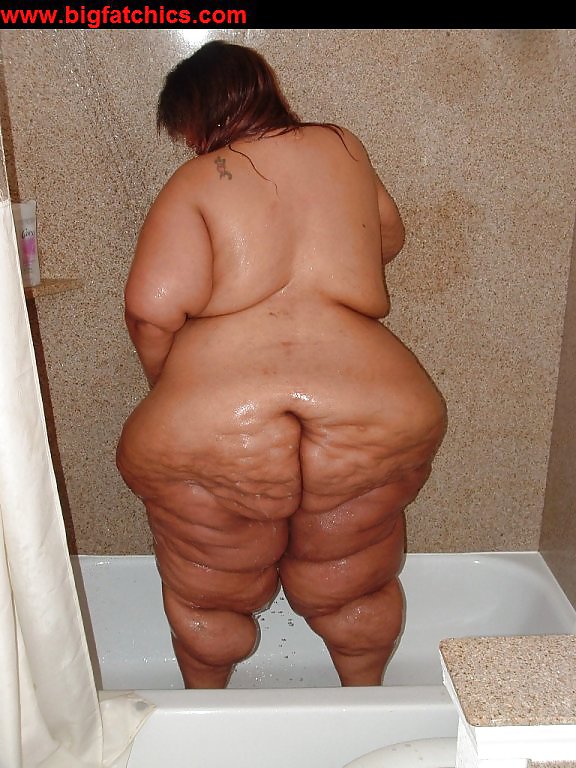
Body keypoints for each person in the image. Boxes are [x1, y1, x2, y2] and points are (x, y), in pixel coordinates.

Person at [116, 40, 447, 689]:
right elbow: (389, 237)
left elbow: (151, 312)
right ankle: (364, 715)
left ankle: (205, 719)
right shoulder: (343, 148)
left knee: (208, 596)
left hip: (213, 425)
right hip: (373, 409)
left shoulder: (199, 180)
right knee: (353, 586)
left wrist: (173, 386)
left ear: (195, 118)